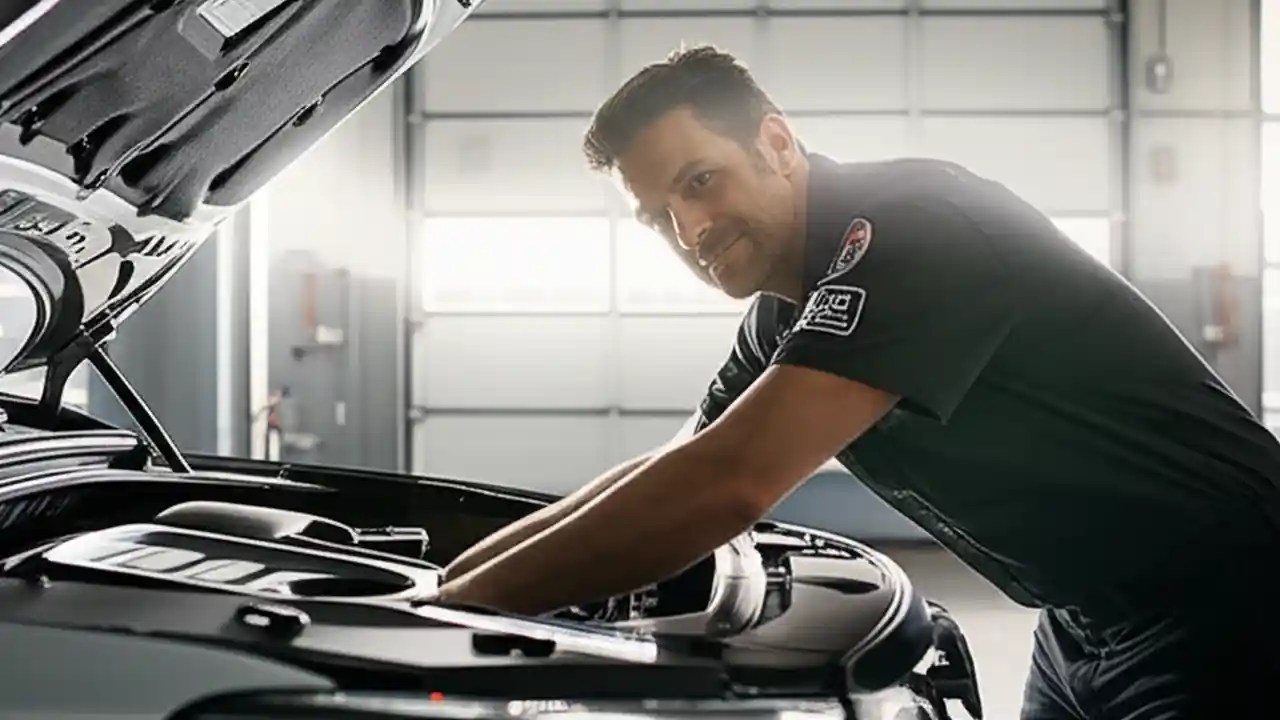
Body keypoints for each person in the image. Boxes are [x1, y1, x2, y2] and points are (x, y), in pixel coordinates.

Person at [432, 45, 1280, 718]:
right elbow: (677, 465)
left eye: (699, 181)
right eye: (660, 218)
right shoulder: (782, 314)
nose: (689, 230)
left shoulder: (915, 230)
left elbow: (726, 487)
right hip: (1083, 627)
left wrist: (461, 615)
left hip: (1232, 603)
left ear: (775, 142)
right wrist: (441, 584)